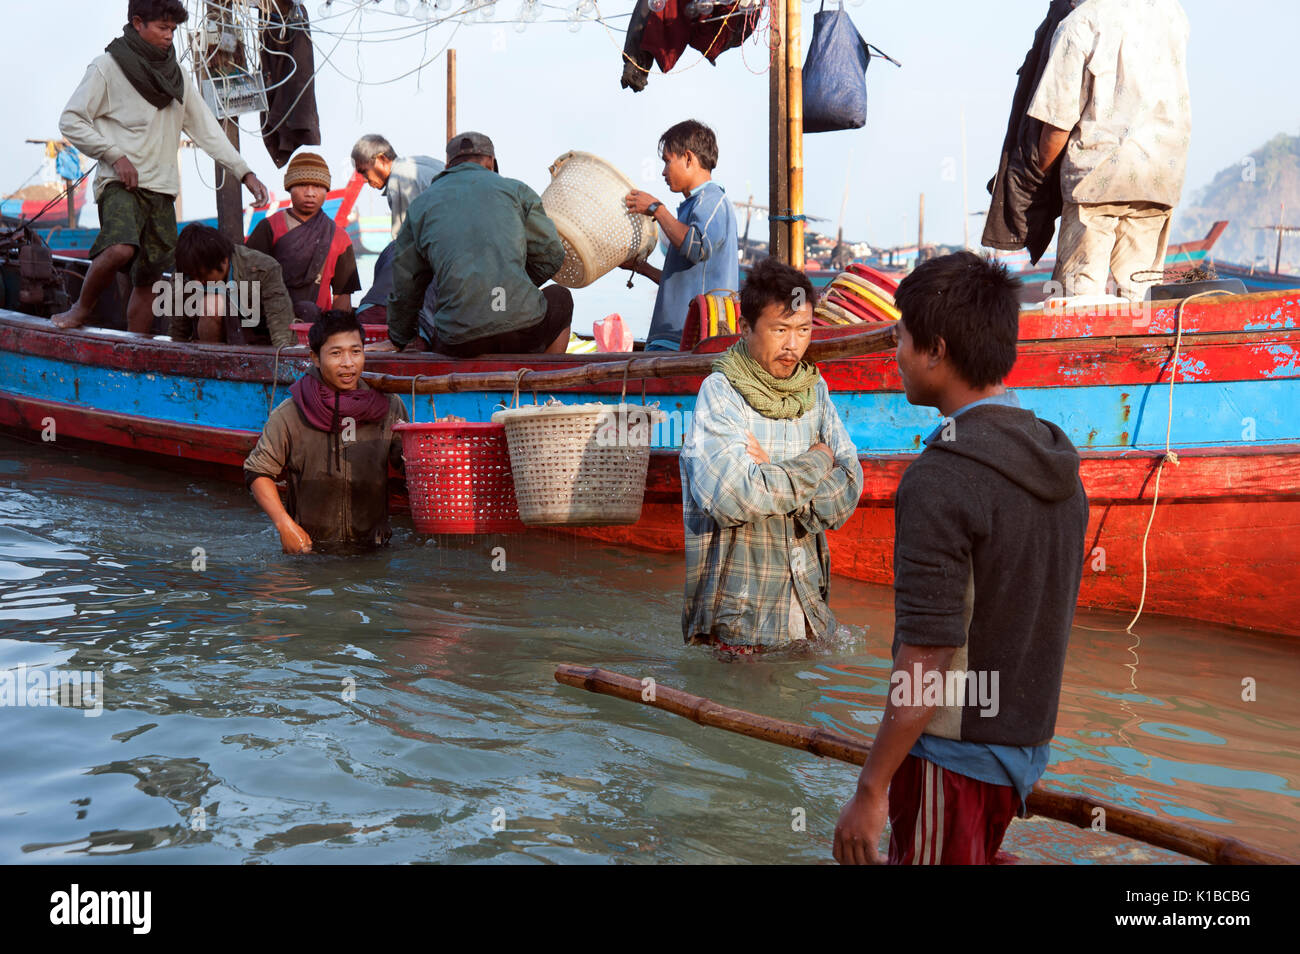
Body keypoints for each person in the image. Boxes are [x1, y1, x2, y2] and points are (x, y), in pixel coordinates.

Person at [832, 251, 1089, 865]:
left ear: (936, 350)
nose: (895, 354)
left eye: (900, 338)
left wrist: (870, 790)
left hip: (954, 751)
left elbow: (927, 652)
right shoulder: (1057, 460)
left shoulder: (941, 479)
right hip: (1023, 749)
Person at [679, 257, 862, 653]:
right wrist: (817, 460)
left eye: (803, 330)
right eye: (780, 330)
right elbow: (731, 496)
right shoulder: (721, 392)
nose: (793, 344)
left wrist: (772, 475)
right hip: (739, 623)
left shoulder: (814, 391)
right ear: (745, 328)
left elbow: (849, 489)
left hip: (809, 613)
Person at [53, 0, 268, 333]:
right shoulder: (107, 68)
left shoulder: (178, 77)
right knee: (119, 249)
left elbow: (207, 130)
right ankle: (81, 308)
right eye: (162, 28)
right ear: (138, 23)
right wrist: (114, 154)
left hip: (162, 190)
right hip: (120, 184)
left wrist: (245, 173)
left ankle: (137, 346)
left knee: (150, 279)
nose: (170, 36)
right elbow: (71, 120)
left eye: (173, 29)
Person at [1028, 0, 1191, 301]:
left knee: (1080, 299)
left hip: (1095, 180)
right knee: (1139, 297)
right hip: (1159, 176)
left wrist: (1038, 177)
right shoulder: (1172, 13)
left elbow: (1057, 124)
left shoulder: (1080, 23)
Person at [378, 131, 573, 357]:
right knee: (561, 297)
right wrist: (514, 286)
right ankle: (543, 381)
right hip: (521, 329)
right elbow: (552, 253)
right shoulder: (517, 191)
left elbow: (406, 282)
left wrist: (400, 337)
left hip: (457, 341)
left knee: (443, 319)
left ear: (449, 164)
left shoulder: (421, 205)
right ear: (490, 162)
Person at [243, 310, 408, 553]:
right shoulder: (290, 413)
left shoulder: (389, 406)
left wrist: (442, 435)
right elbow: (257, 471)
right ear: (316, 358)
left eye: (356, 351)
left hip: (374, 551)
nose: (348, 363)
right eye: (336, 353)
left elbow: (412, 466)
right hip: (310, 553)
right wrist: (285, 526)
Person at [622, 120, 739, 351]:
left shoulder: (712, 200)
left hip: (693, 343)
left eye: (667, 161)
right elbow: (684, 280)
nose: (664, 172)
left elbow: (696, 247)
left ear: (688, 158)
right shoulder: (692, 205)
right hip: (674, 340)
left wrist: (657, 208)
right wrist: (642, 268)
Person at [246, 152, 361, 321]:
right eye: (302, 185)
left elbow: (342, 296)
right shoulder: (269, 227)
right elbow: (248, 281)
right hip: (271, 323)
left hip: (317, 327)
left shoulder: (340, 237)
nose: (310, 193)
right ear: (289, 187)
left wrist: (337, 332)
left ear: (326, 189)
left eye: (317, 186)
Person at [168, 223, 295, 347]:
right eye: (192, 277)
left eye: (203, 276)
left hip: (257, 332)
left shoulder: (263, 267)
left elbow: (279, 319)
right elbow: (179, 330)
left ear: (224, 261)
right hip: (210, 337)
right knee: (212, 304)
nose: (197, 282)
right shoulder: (183, 275)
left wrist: (283, 355)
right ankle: (212, 358)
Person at [351, 134, 444, 240]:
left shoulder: (398, 179)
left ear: (382, 159)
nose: (364, 179)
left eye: (364, 172)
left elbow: (403, 241)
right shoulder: (421, 162)